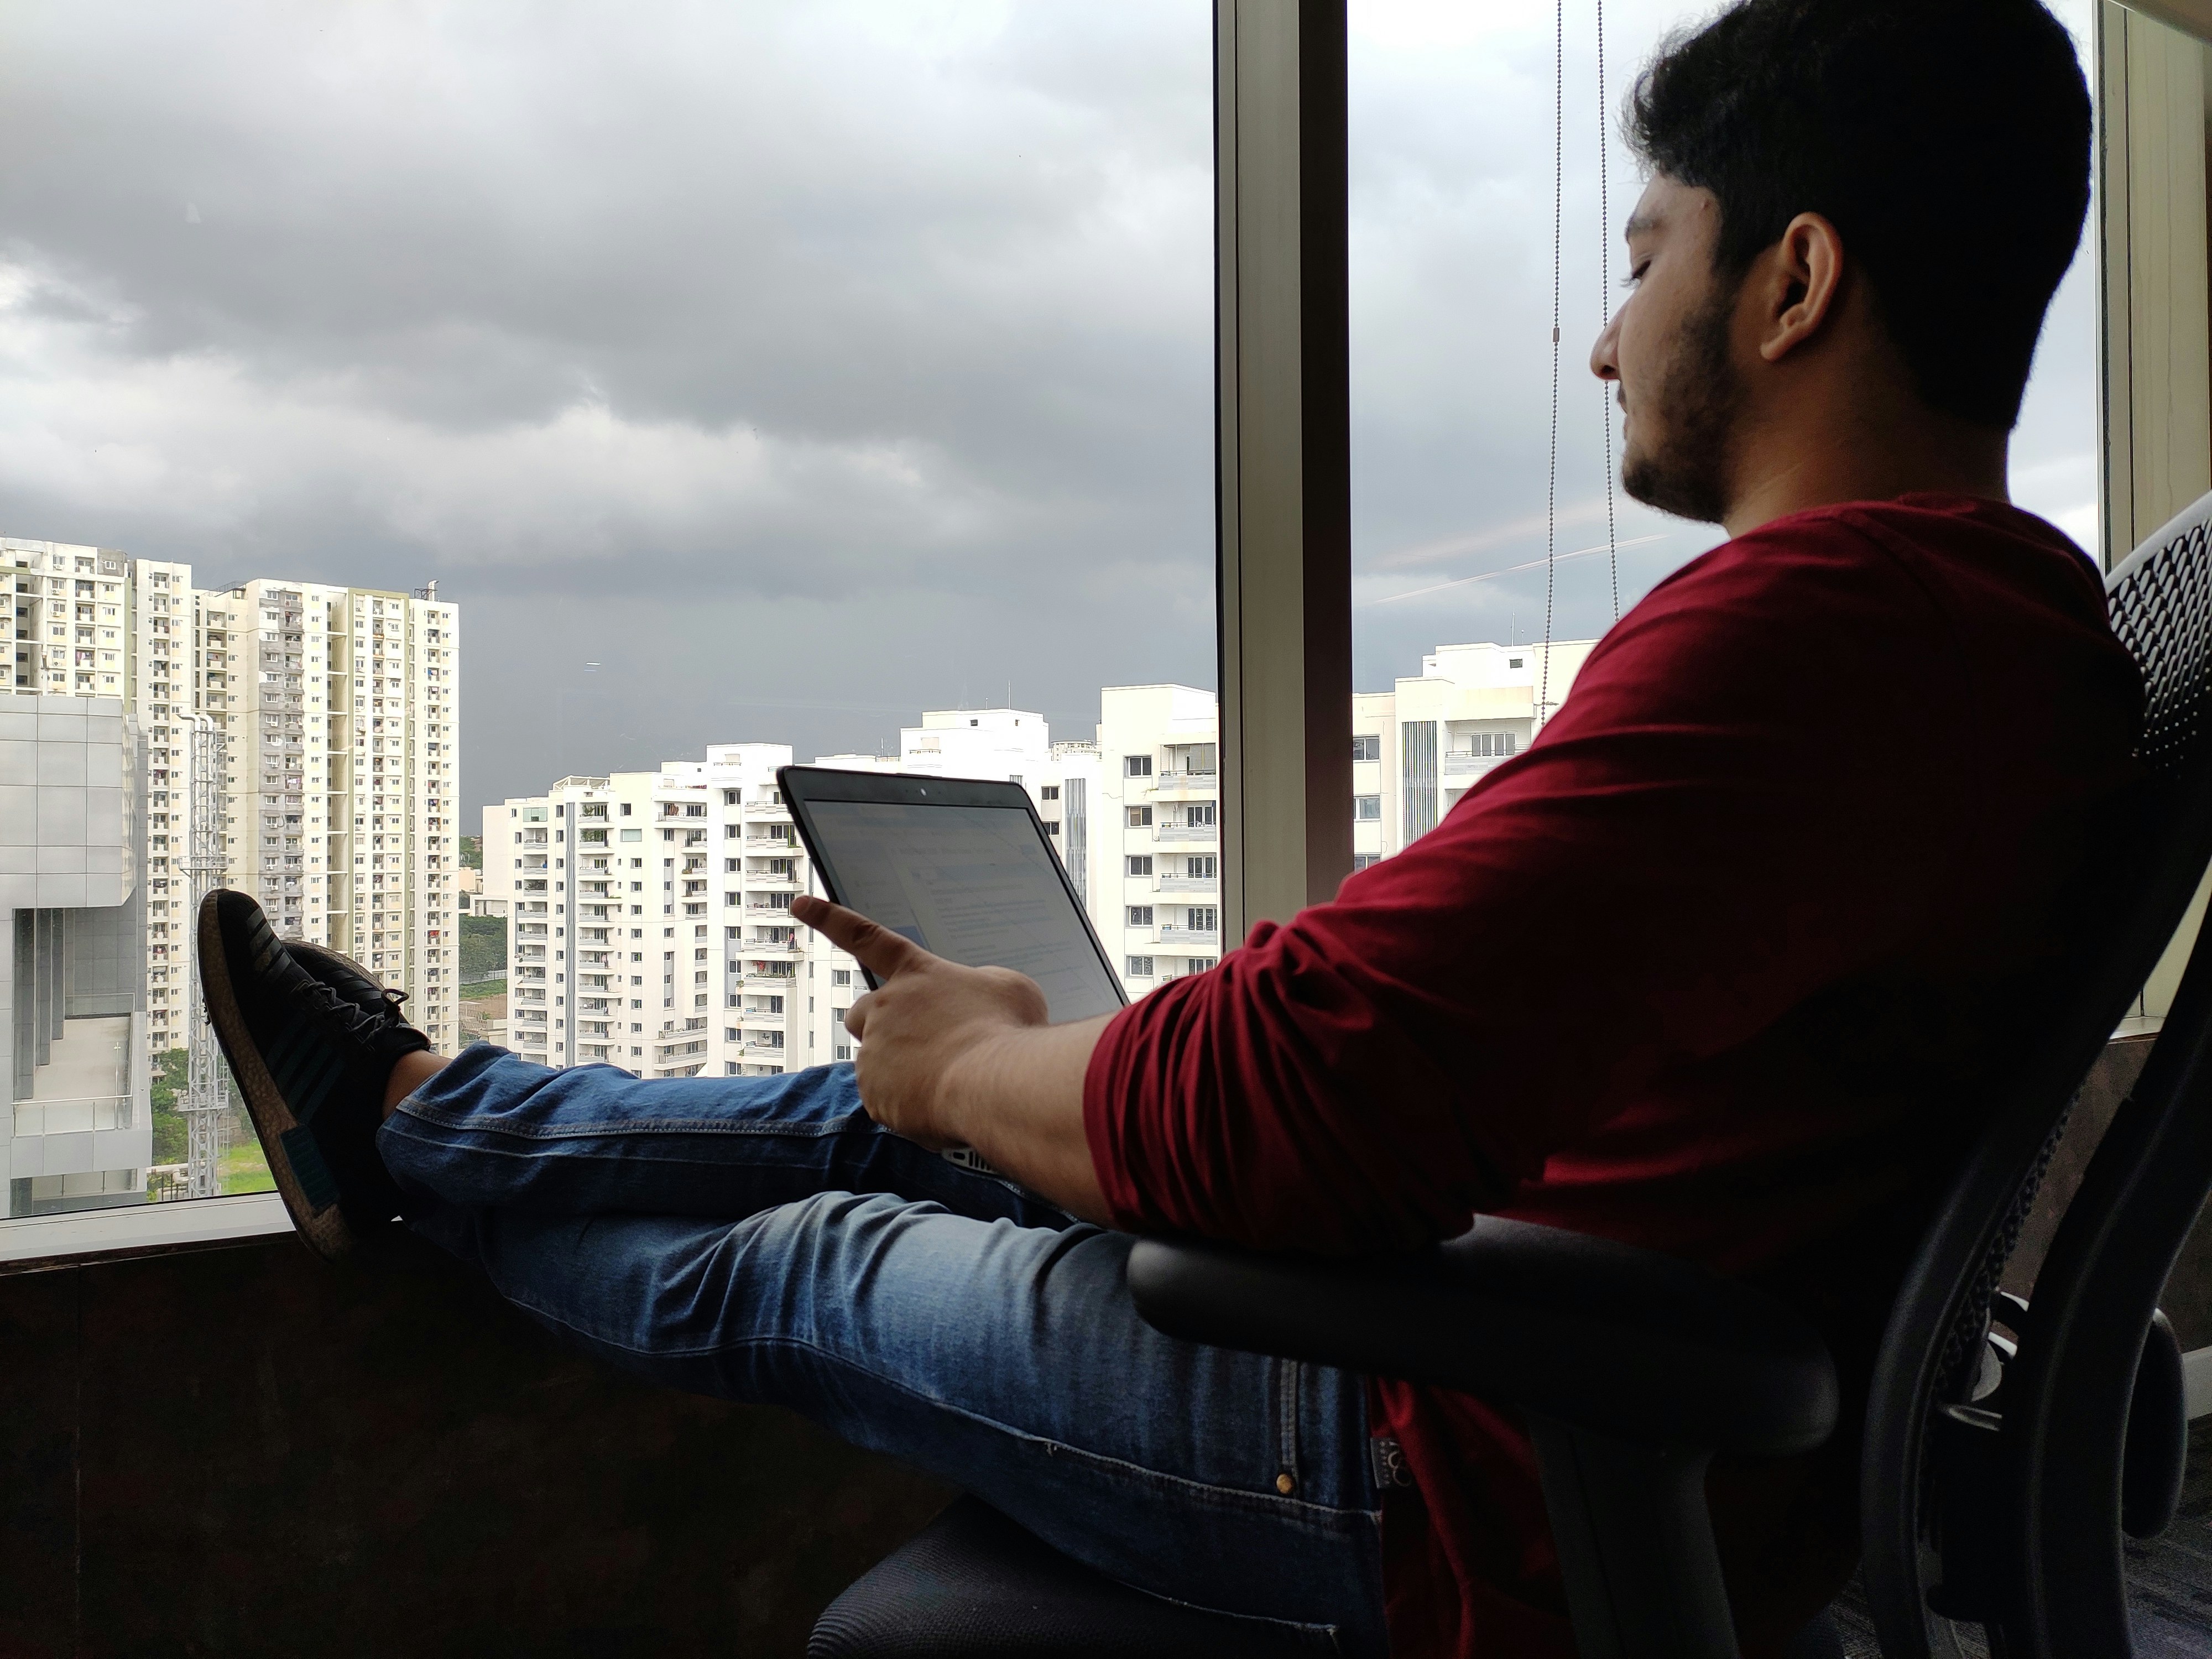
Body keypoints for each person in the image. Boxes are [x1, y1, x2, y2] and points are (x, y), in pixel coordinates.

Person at [194, 2, 2137, 1654]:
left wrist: (982, 1080)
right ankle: (414, 1105)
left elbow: (1303, 1107)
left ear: (1794, 282)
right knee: (882, 1105)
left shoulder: (1832, 633)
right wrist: (1006, 1063)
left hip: (1450, 1467)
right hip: (1563, 1370)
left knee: (807, 1250)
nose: (1612, 340)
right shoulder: (2013, 633)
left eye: (1645, 261)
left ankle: (409, 1174)